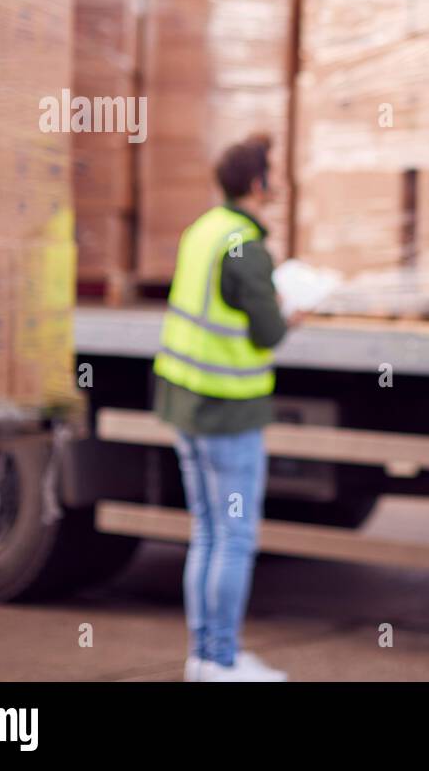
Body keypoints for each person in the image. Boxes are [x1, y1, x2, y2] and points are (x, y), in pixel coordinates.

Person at [153, 133, 301, 682]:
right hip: (227, 411)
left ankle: (205, 656)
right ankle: (220, 661)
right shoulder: (246, 246)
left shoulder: (204, 230)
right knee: (233, 539)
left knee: (208, 532)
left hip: (184, 401)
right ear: (258, 184)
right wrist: (293, 313)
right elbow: (267, 333)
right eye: (273, 171)